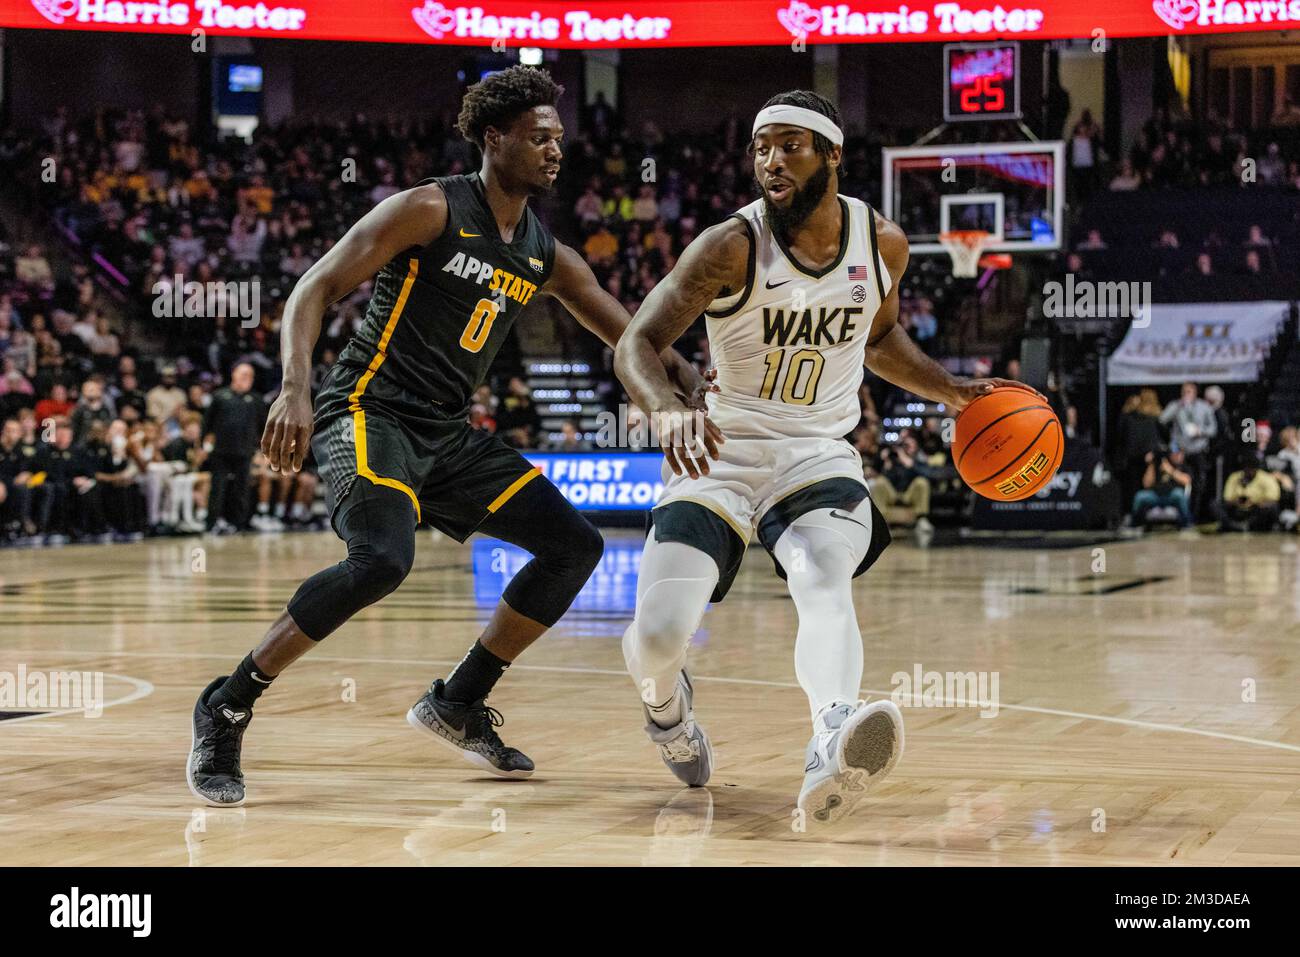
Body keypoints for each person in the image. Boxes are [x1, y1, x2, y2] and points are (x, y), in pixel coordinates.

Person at [186, 67, 706, 807]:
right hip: (370, 410)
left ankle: (459, 699)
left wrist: (680, 370)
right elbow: (315, 286)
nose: (555, 150)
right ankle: (227, 702)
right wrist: (295, 388)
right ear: (494, 139)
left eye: (558, 137)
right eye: (538, 137)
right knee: (380, 560)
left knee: (575, 546)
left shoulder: (540, 250)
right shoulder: (430, 208)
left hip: (448, 432)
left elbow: (624, 327)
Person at [613, 90, 1035, 825]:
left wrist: (952, 390)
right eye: (761, 148)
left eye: (789, 146)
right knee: (656, 635)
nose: (771, 162)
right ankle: (666, 709)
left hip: (816, 455)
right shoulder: (729, 246)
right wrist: (667, 409)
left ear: (833, 154)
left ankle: (832, 730)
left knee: (819, 572)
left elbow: (878, 339)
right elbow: (636, 344)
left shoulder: (883, 244)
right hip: (720, 451)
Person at [1160, 382, 1216, 522]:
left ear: (1196, 392)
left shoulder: (1204, 407)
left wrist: (1200, 432)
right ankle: (1181, 516)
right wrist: (1178, 407)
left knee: (1199, 485)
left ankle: (1195, 516)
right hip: (1180, 452)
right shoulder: (1176, 405)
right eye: (1184, 391)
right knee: (1180, 483)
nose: (1186, 393)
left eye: (1189, 391)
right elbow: (1162, 419)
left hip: (1198, 451)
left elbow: (1213, 429)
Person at [1127, 445, 1193, 530]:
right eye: (1175, 454)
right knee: (1140, 496)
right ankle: (1135, 523)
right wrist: (1151, 464)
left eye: (1180, 454)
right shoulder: (1160, 464)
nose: (1178, 456)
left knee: (1179, 494)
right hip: (1156, 496)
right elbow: (1146, 484)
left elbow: (1187, 480)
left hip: (1171, 496)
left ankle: (1185, 523)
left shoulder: (1184, 467)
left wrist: (1170, 471)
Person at [1220, 456, 1281, 532]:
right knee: (1215, 504)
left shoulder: (1267, 478)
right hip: (1237, 508)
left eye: (1250, 468)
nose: (1248, 471)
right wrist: (1237, 501)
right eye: (1245, 468)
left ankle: (1249, 526)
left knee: (1272, 507)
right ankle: (1232, 525)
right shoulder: (1234, 477)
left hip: (1256, 510)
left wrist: (1255, 502)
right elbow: (1227, 499)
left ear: (1256, 469)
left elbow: (1274, 500)